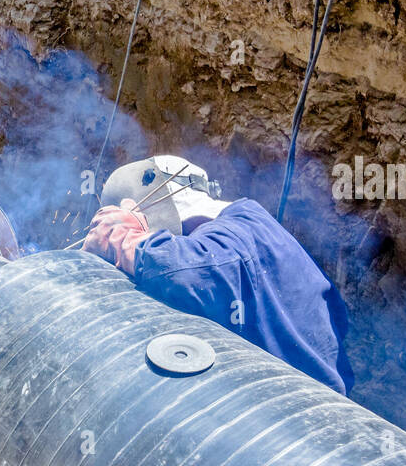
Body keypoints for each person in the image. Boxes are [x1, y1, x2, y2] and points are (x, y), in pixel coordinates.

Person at [83, 155, 354, 395]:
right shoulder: (261, 231)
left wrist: (123, 240)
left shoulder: (235, 234)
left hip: (298, 422)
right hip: (320, 411)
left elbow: (185, 274)